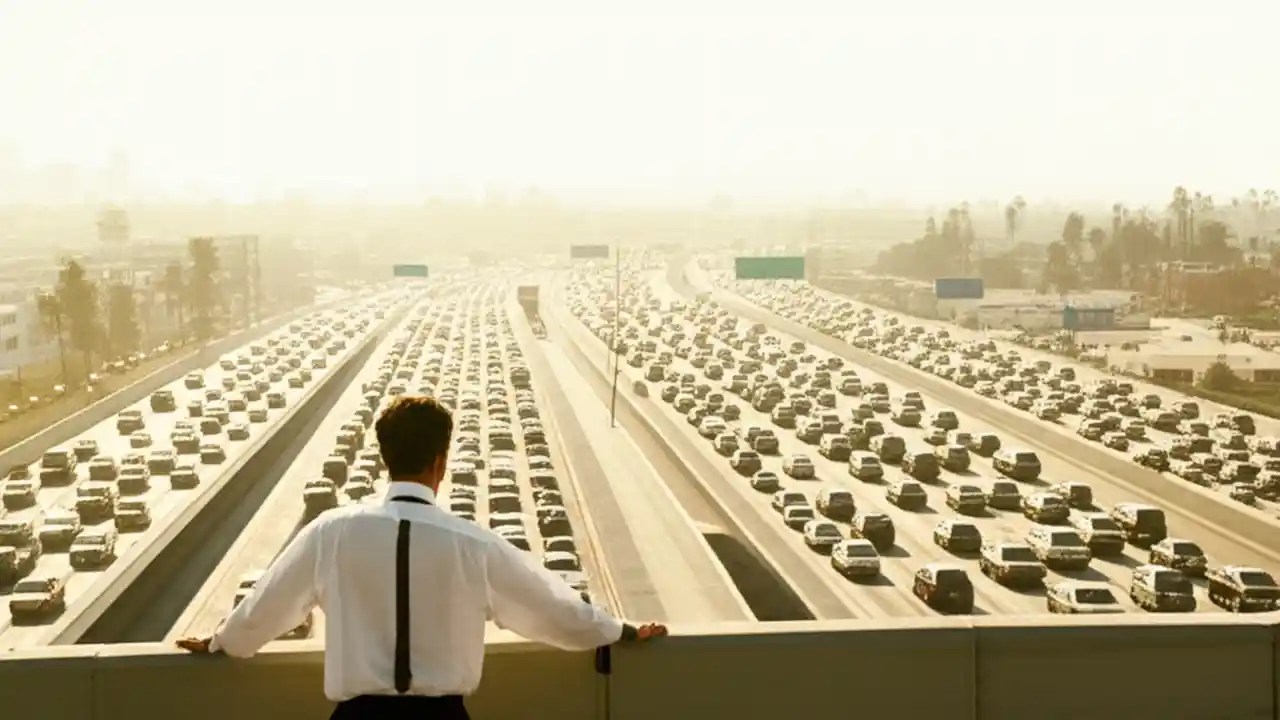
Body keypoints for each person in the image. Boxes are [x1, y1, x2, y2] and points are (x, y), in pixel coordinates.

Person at [178, 395, 666, 718]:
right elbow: (551, 609)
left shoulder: (331, 532)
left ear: (386, 456)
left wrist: (222, 641)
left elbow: (266, 608)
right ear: (441, 462)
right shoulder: (472, 543)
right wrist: (619, 630)